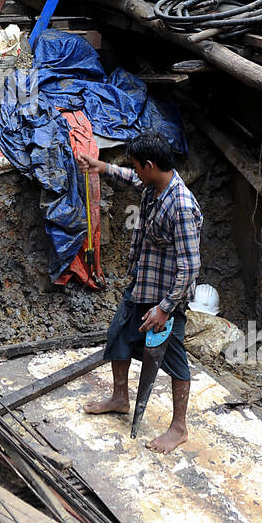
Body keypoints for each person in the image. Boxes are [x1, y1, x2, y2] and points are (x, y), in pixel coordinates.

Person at [76, 131, 202, 454]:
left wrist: (164, 309)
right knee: (118, 335)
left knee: (173, 359)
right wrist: (100, 167)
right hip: (141, 286)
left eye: (137, 166)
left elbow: (189, 268)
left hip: (165, 300)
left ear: (150, 165)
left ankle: (179, 427)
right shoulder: (152, 185)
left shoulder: (181, 206)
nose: (135, 172)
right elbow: (129, 178)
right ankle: (120, 397)